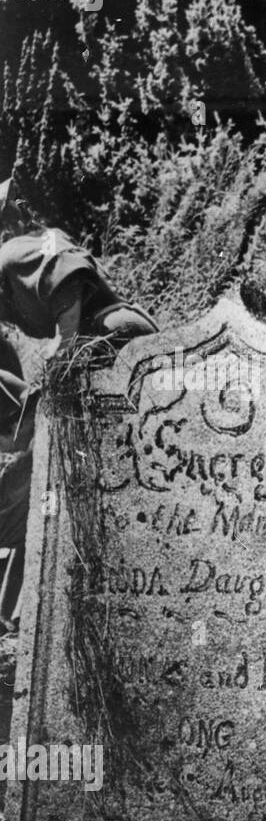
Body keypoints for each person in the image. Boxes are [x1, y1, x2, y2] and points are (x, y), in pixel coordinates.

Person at [0, 178, 157, 620]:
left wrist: (64, 339)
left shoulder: (12, 253)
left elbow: (68, 272)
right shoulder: (26, 249)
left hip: (107, 341)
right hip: (118, 340)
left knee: (60, 472)